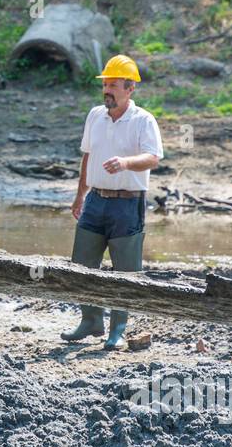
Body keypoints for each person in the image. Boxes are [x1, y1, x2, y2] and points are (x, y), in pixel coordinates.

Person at [62, 54, 164, 348]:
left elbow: (153, 158)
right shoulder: (95, 115)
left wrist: (126, 163)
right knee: (81, 265)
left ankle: (117, 328)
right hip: (95, 200)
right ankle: (90, 321)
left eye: (114, 85)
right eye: (105, 84)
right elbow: (87, 156)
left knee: (125, 271)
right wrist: (80, 194)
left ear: (130, 89)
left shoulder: (143, 120)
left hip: (127, 204)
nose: (107, 90)